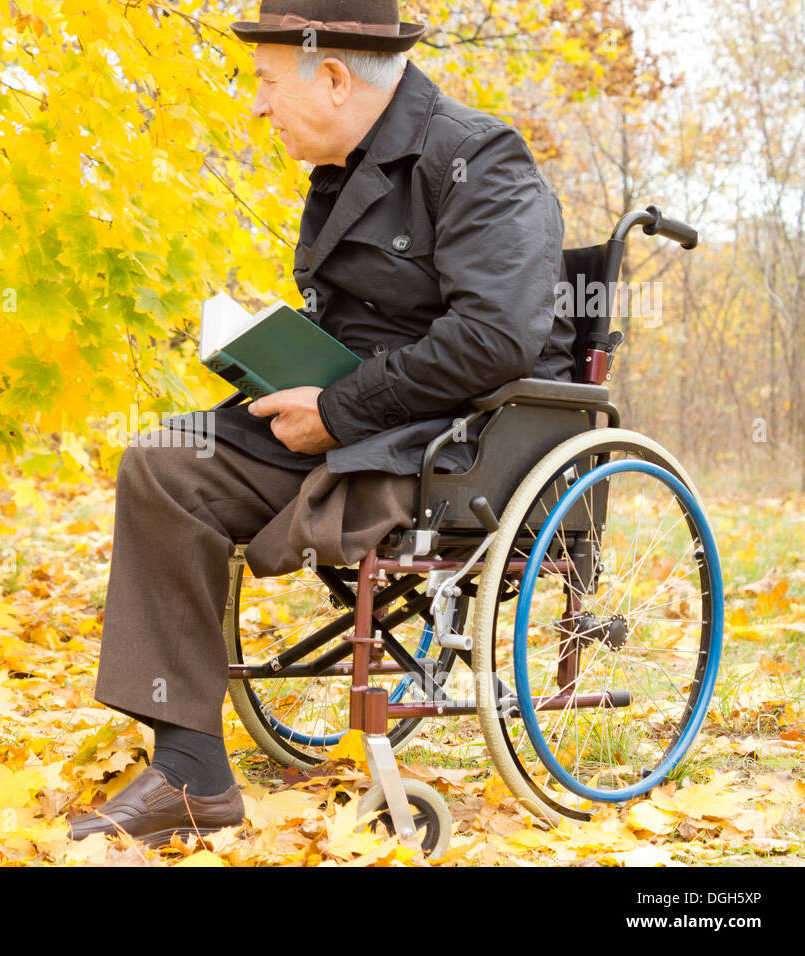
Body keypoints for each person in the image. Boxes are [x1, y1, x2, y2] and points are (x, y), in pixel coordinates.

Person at [70, 0, 572, 845]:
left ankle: (191, 774)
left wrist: (338, 408)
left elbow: (498, 337)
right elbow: (360, 330)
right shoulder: (343, 172)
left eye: (267, 83)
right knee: (164, 456)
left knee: (197, 457)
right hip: (357, 421)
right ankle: (191, 770)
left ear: (334, 77)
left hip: (453, 448)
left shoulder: (477, 158)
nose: (258, 105)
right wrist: (276, 364)